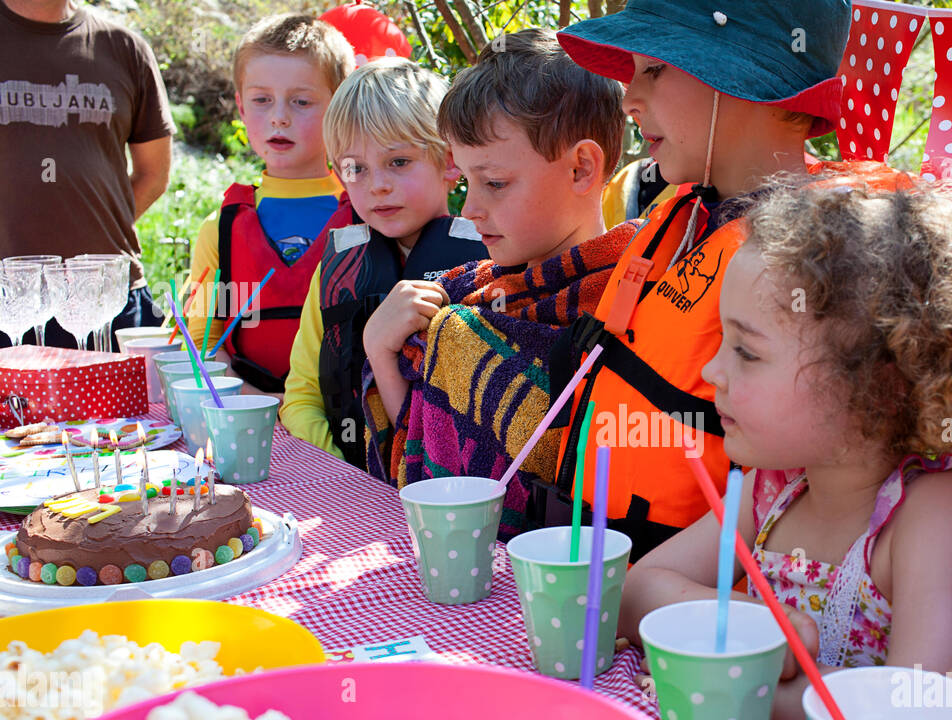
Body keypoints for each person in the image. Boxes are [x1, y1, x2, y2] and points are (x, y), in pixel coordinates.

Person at [618, 174, 952, 720]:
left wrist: (727, 675)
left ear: (880, 381)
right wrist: (747, 627)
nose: (710, 372)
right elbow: (636, 590)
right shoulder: (773, 487)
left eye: (747, 352)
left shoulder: (937, 515)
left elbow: (916, 718)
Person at [546, 0, 910, 561]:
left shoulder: (824, 258)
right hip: (600, 569)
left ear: (738, 78)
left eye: (656, 69)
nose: (628, 98)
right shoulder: (686, 211)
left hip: (708, 610)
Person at [360, 29, 630, 540]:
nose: (471, 209)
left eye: (495, 182)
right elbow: (416, 469)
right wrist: (379, 349)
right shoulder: (463, 292)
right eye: (465, 181)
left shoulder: (630, 306)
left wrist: (452, 341)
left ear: (582, 168)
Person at [279, 58, 486, 465]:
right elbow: (301, 398)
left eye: (398, 162)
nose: (377, 185)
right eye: (356, 168)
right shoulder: (336, 270)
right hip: (346, 482)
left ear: (449, 161)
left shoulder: (487, 262)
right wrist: (344, 474)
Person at [183, 14, 355, 395]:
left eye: (301, 101)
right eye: (262, 100)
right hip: (251, 425)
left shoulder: (367, 215)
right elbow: (201, 346)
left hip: (347, 432)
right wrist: (264, 406)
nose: (279, 117)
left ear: (339, 106)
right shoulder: (220, 229)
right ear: (242, 108)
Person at [0, 0, 173, 347]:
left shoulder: (124, 47)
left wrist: (92, 248)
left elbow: (153, 174)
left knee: (132, 405)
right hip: (9, 304)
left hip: (106, 303)